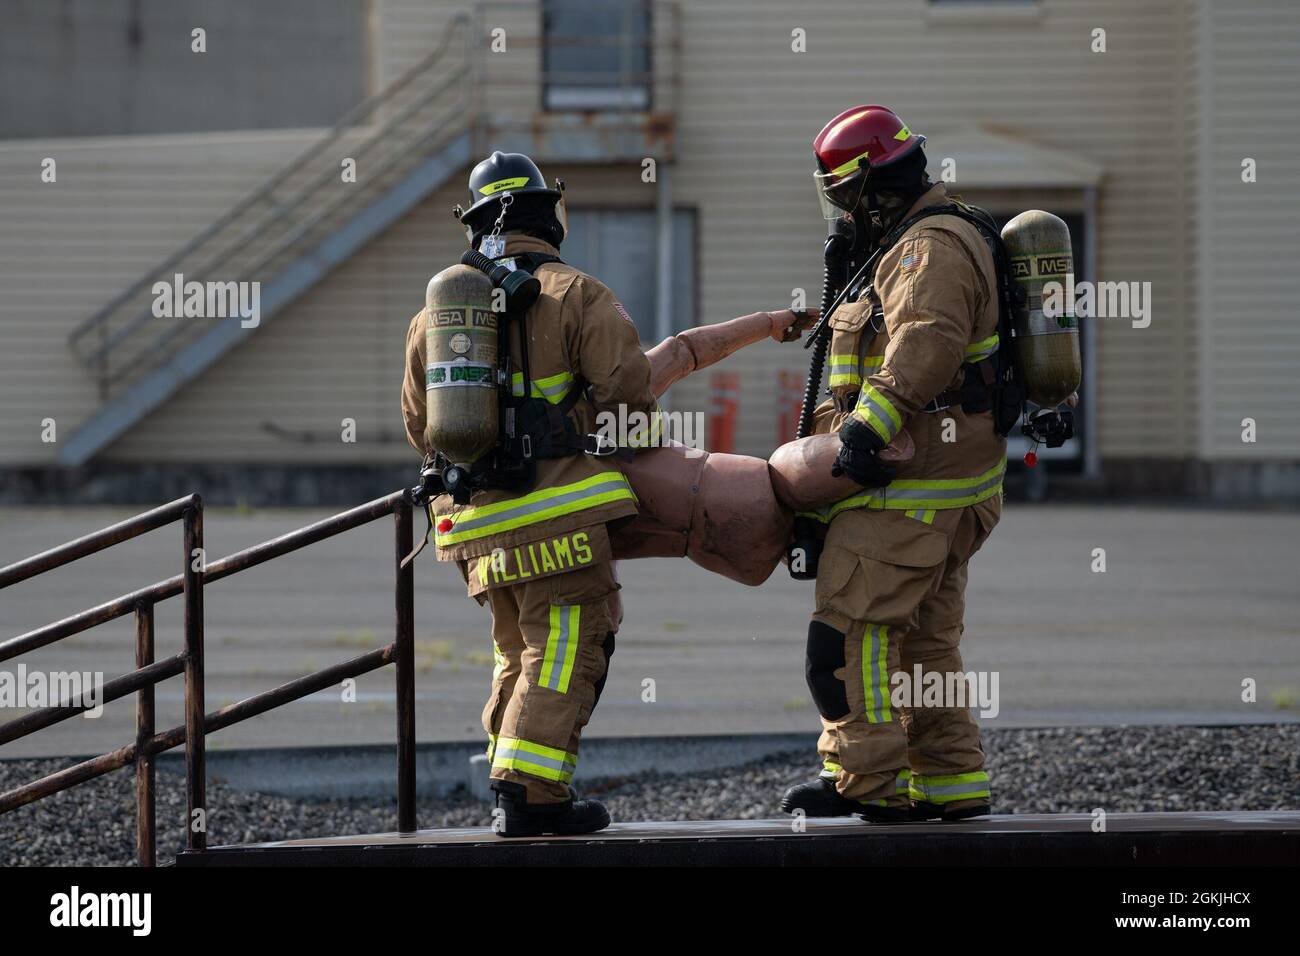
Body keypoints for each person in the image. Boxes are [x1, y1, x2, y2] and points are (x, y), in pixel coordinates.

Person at [400, 151, 661, 837]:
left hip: (474, 527)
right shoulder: (578, 294)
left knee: (518, 650)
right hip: (559, 520)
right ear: (550, 213)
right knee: (570, 645)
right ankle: (531, 797)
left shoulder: (437, 314)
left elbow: (417, 424)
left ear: (477, 224)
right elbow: (629, 406)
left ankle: (509, 779)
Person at [780, 106, 1006, 823]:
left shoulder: (928, 247)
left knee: (848, 635)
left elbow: (927, 342)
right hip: (947, 486)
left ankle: (865, 782)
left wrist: (861, 439)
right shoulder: (926, 237)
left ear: (872, 184)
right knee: (924, 646)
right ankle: (950, 782)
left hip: (908, 485)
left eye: (843, 196)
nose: (841, 212)